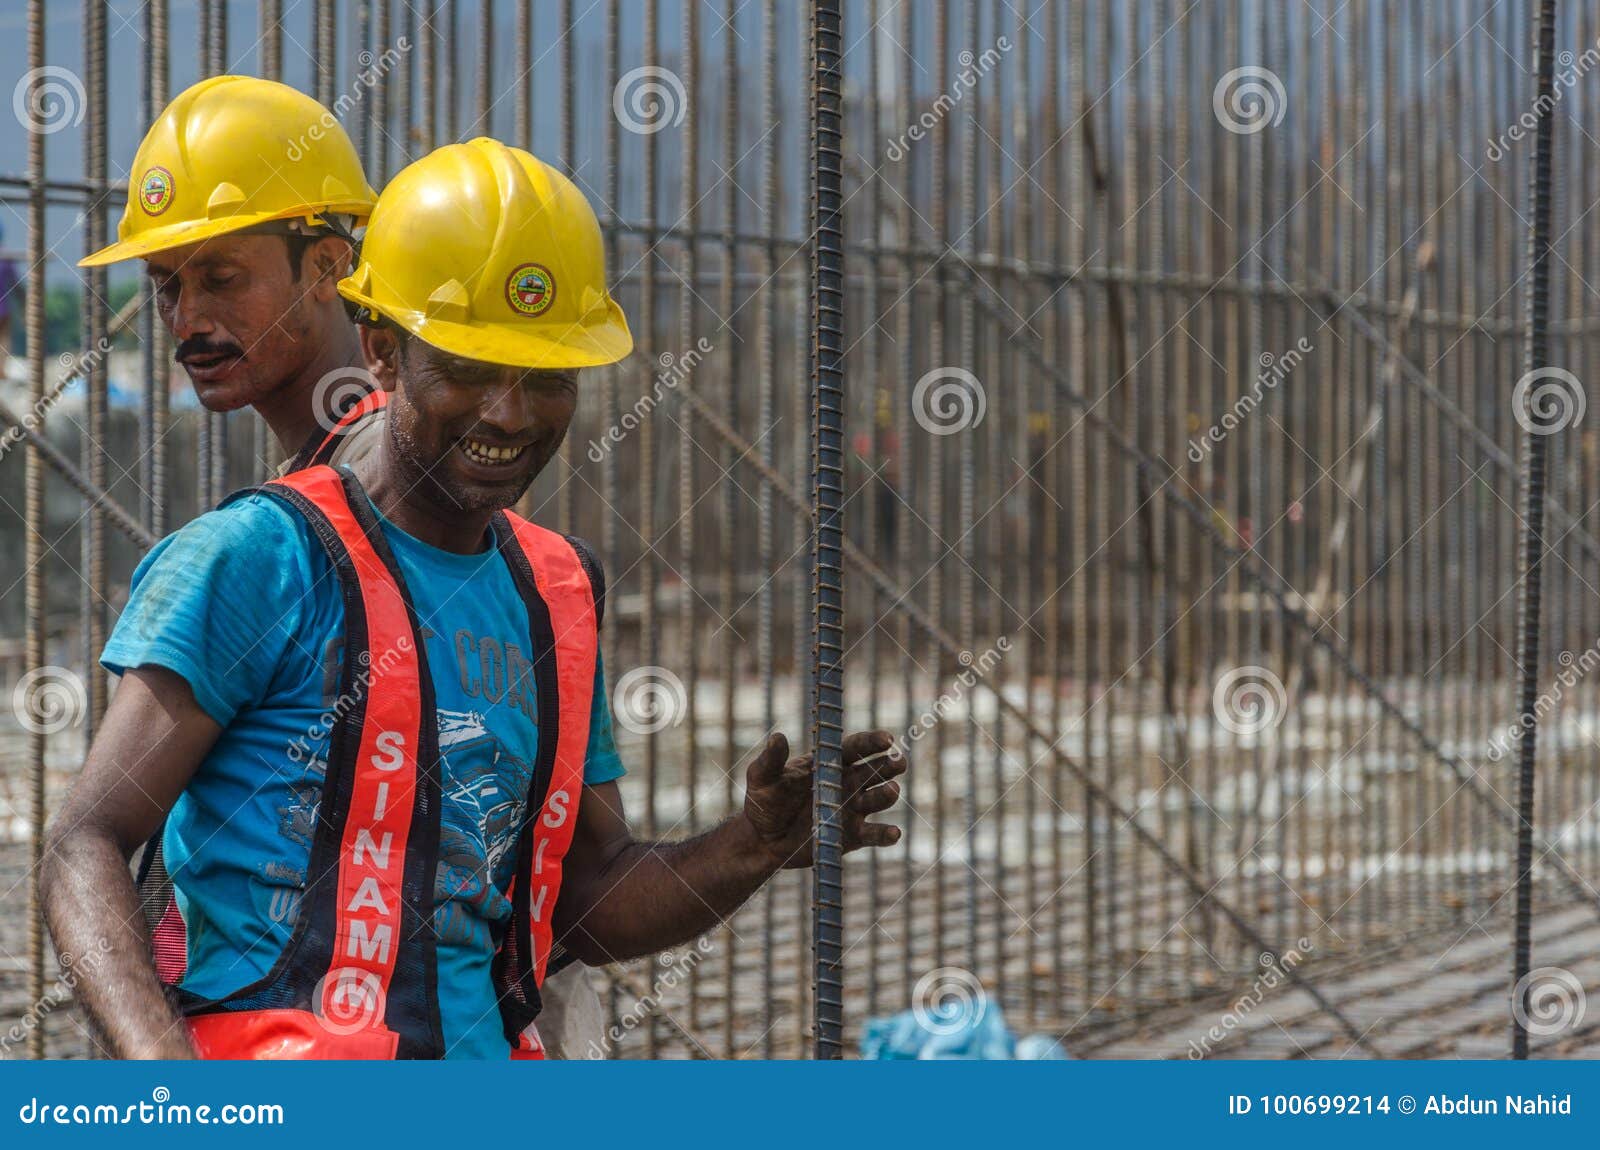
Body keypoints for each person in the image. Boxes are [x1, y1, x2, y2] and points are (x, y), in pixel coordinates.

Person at [41, 138, 907, 1060]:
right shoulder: (256, 558)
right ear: (382, 350)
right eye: (466, 369)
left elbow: (587, 897)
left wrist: (749, 845)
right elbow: (86, 842)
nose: (508, 413)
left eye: (546, 376)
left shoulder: (556, 593)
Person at [79, 75, 386, 473]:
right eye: (167, 286)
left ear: (325, 267)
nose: (186, 322)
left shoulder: (380, 475)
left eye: (222, 279)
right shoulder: (359, 460)